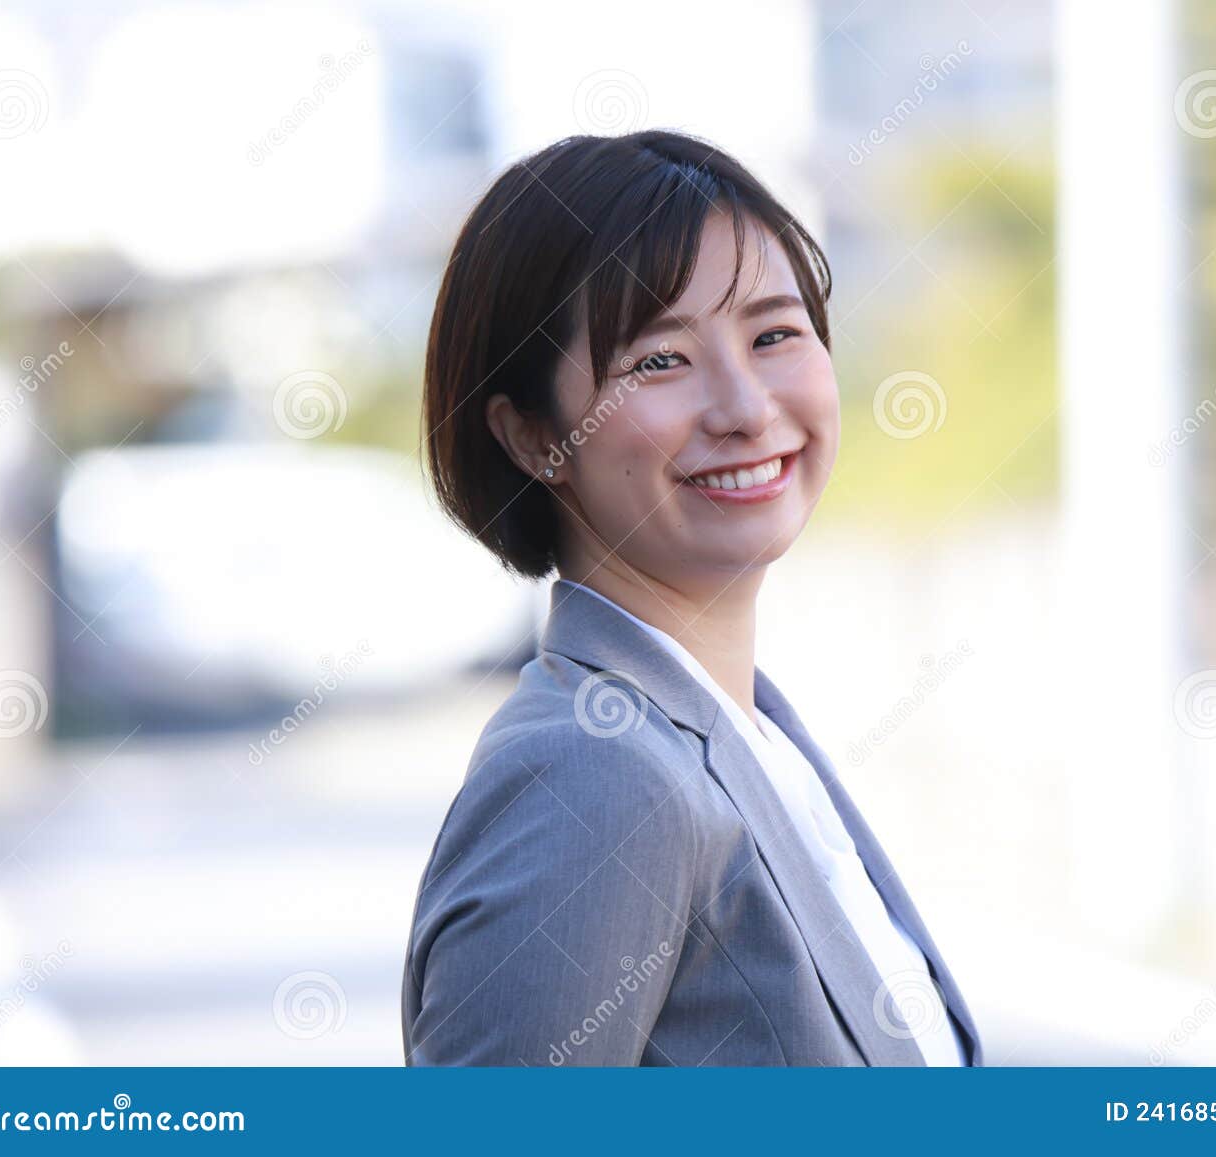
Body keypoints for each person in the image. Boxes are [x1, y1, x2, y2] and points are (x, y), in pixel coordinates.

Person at [402, 129, 982, 1066]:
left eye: (775, 335)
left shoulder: (749, 740)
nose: (747, 407)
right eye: (659, 361)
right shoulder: (592, 779)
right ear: (531, 436)